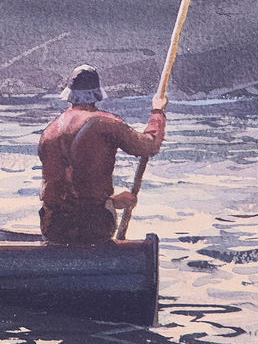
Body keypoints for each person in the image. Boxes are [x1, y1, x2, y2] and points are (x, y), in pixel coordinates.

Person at [37, 64, 165, 245]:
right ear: (96, 94)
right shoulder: (106, 123)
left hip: (53, 227)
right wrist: (157, 112)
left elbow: (68, 187)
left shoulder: (49, 131)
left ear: (69, 95)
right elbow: (149, 146)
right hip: (93, 227)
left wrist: (113, 202)